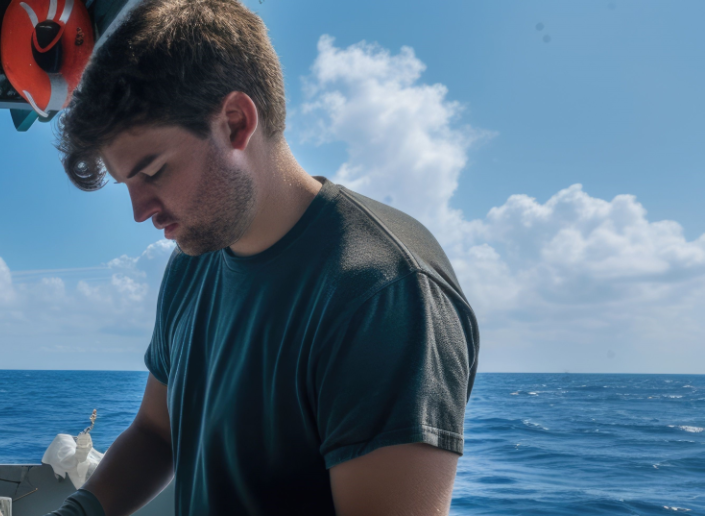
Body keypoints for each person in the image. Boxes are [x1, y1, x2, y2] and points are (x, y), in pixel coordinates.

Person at [44, 0, 479, 515]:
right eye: (127, 185)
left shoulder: (385, 293)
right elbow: (157, 433)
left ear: (235, 122)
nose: (140, 211)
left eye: (154, 171)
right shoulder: (192, 262)